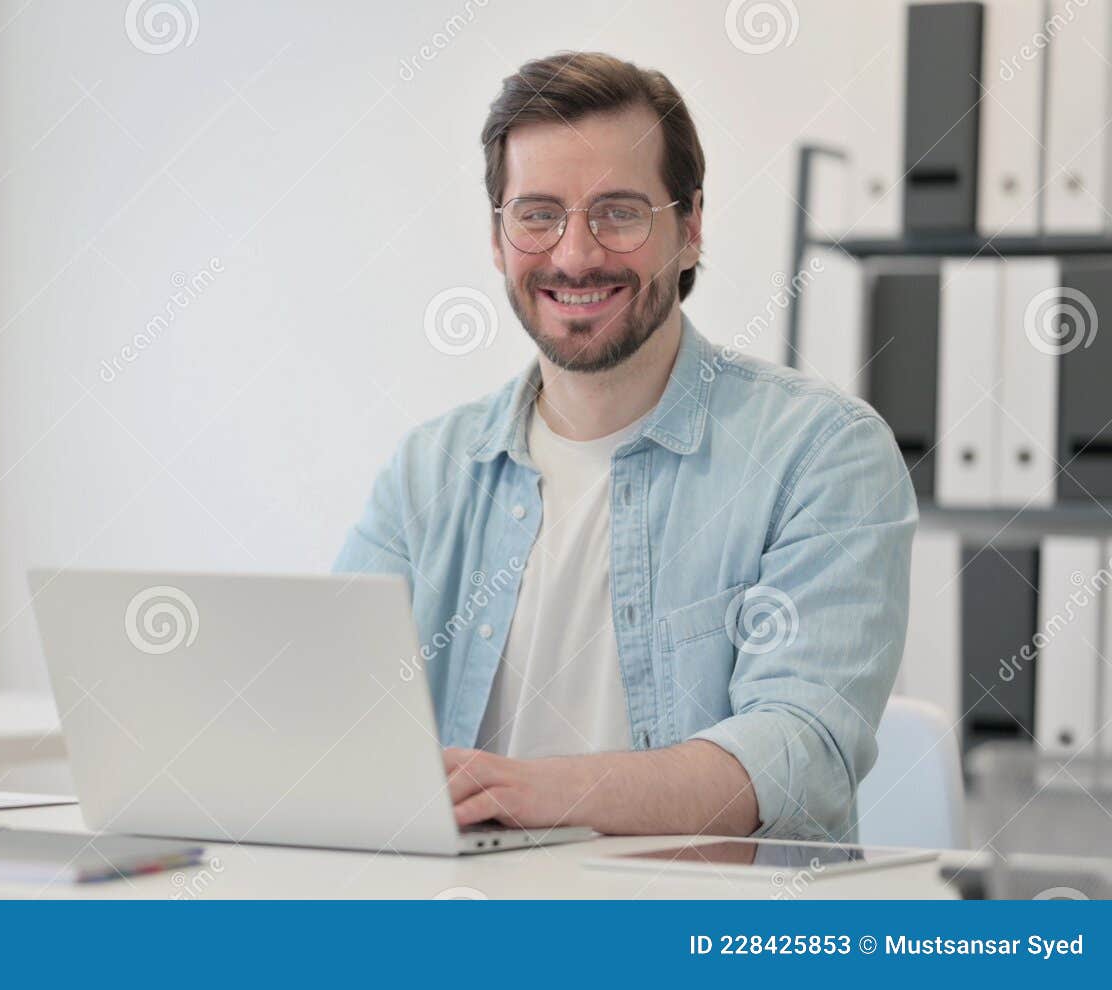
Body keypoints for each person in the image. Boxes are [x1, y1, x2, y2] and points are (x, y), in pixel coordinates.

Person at [334, 51, 916, 842]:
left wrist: (532, 792)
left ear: (691, 228)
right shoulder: (425, 472)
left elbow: (800, 756)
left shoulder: (822, 455)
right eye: (538, 214)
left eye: (618, 212)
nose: (575, 255)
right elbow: (339, 728)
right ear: (499, 239)